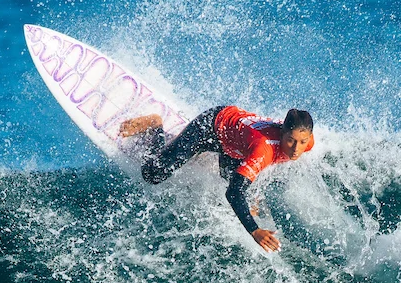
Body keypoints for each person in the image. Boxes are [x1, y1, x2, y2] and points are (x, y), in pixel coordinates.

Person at [118, 106, 315, 252]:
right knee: (152, 174)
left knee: (231, 179)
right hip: (210, 128)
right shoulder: (263, 150)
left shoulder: (306, 142)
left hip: (236, 144)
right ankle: (154, 127)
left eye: (302, 142)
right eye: (290, 140)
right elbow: (233, 193)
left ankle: (196, 154)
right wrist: (254, 231)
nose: (296, 148)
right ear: (282, 133)